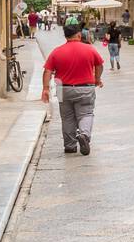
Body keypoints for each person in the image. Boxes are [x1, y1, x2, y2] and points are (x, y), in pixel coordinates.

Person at [41, 22, 104, 155]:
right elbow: (99, 65)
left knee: (67, 117)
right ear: (79, 35)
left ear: (66, 36)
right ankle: (84, 135)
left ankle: (70, 146)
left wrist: (45, 89)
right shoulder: (89, 49)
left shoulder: (57, 51)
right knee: (86, 113)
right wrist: (97, 79)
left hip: (63, 89)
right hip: (85, 88)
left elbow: (47, 71)